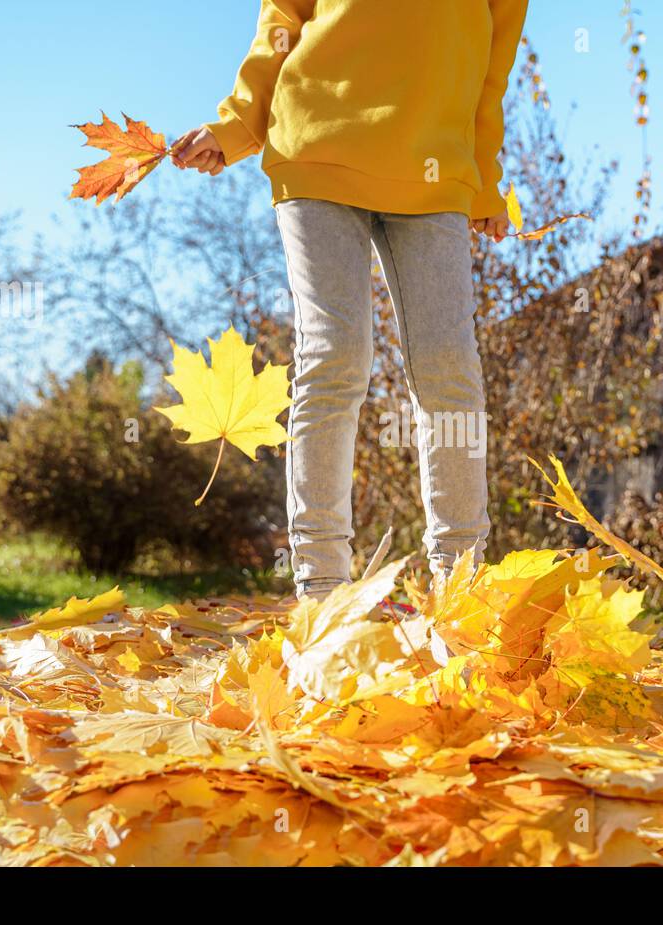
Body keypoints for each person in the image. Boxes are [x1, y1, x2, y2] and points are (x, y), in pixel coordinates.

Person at [173, 0, 528, 599]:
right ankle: (322, 593)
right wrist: (237, 124)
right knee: (335, 358)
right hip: (316, 146)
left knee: (451, 367)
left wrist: (487, 178)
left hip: (435, 166)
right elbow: (282, 22)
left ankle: (460, 589)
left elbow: (492, 67)